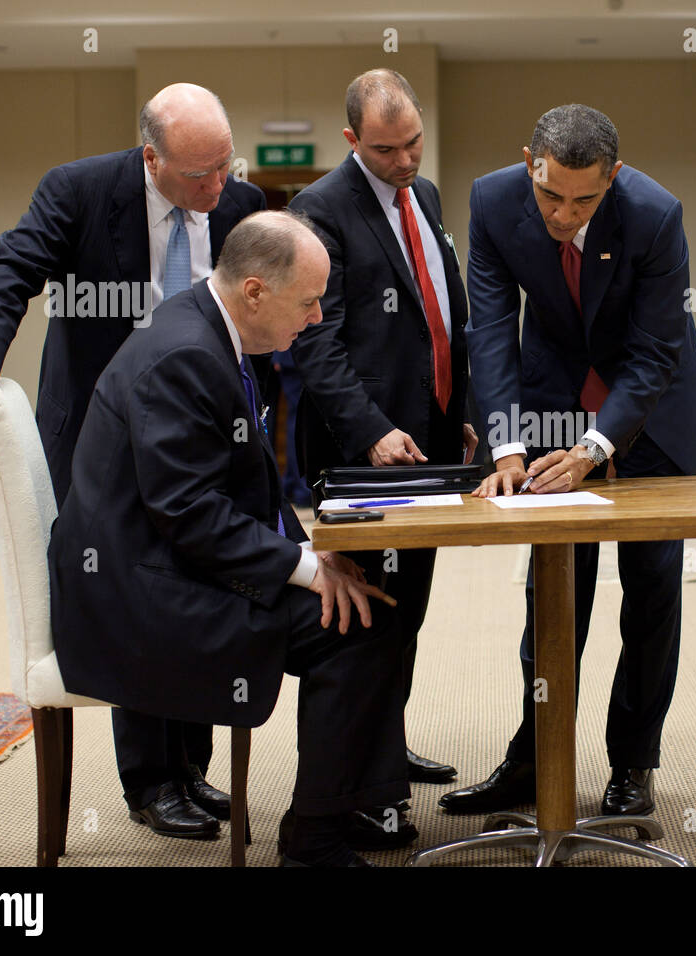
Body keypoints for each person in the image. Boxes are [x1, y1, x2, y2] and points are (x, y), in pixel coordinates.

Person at [0, 83, 266, 839]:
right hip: (101, 439)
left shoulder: (239, 203)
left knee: (206, 589)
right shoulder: (81, 191)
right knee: (139, 592)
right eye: (197, 175)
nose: (216, 188)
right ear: (151, 157)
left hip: (208, 439)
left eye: (224, 167)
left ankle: (190, 765)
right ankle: (149, 782)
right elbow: (6, 273)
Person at [46, 210, 409, 867]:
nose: (318, 317)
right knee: (361, 625)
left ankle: (352, 801)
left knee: (363, 595)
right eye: (309, 301)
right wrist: (302, 569)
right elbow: (189, 514)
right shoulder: (186, 354)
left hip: (162, 562)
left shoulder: (208, 327)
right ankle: (316, 837)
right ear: (255, 292)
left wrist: (310, 552)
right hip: (137, 596)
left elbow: (247, 488)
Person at [440, 104, 696, 818]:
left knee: (651, 589)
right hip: (552, 392)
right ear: (530, 160)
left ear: (613, 177)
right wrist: (507, 444)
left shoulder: (654, 215)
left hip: (647, 413)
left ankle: (632, 766)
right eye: (550, 193)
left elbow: (654, 353)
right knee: (554, 588)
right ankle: (535, 756)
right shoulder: (494, 200)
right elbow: (491, 327)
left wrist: (596, 447)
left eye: (584, 199)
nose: (563, 213)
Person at [288, 68, 472, 842]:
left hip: (428, 438)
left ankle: (385, 754)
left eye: (414, 144)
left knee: (410, 607)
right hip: (365, 452)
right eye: (388, 150)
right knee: (369, 613)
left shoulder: (422, 198)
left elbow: (443, 313)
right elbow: (317, 342)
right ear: (352, 140)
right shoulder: (317, 209)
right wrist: (369, 430)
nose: (406, 162)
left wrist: (455, 415)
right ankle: (360, 785)